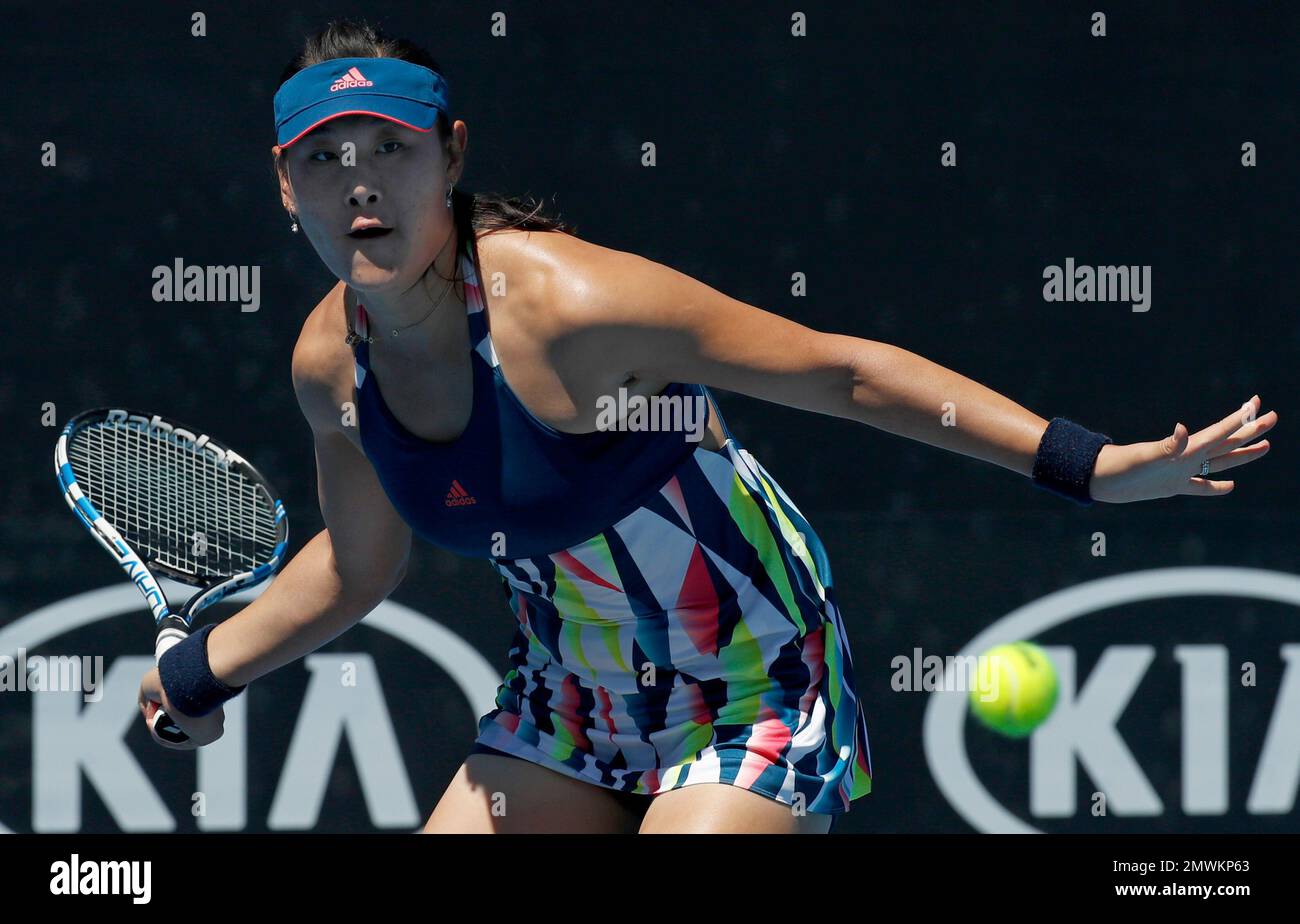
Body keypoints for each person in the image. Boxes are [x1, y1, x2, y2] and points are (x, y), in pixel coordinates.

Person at [137, 18, 1277, 834]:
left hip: (756, 679)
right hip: (566, 699)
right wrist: (202, 671)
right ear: (286, 191)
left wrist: (1086, 467)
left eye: (390, 148)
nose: (361, 186)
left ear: (452, 158)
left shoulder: (570, 310)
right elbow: (356, 563)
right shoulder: (328, 366)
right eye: (324, 163)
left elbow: (846, 375)